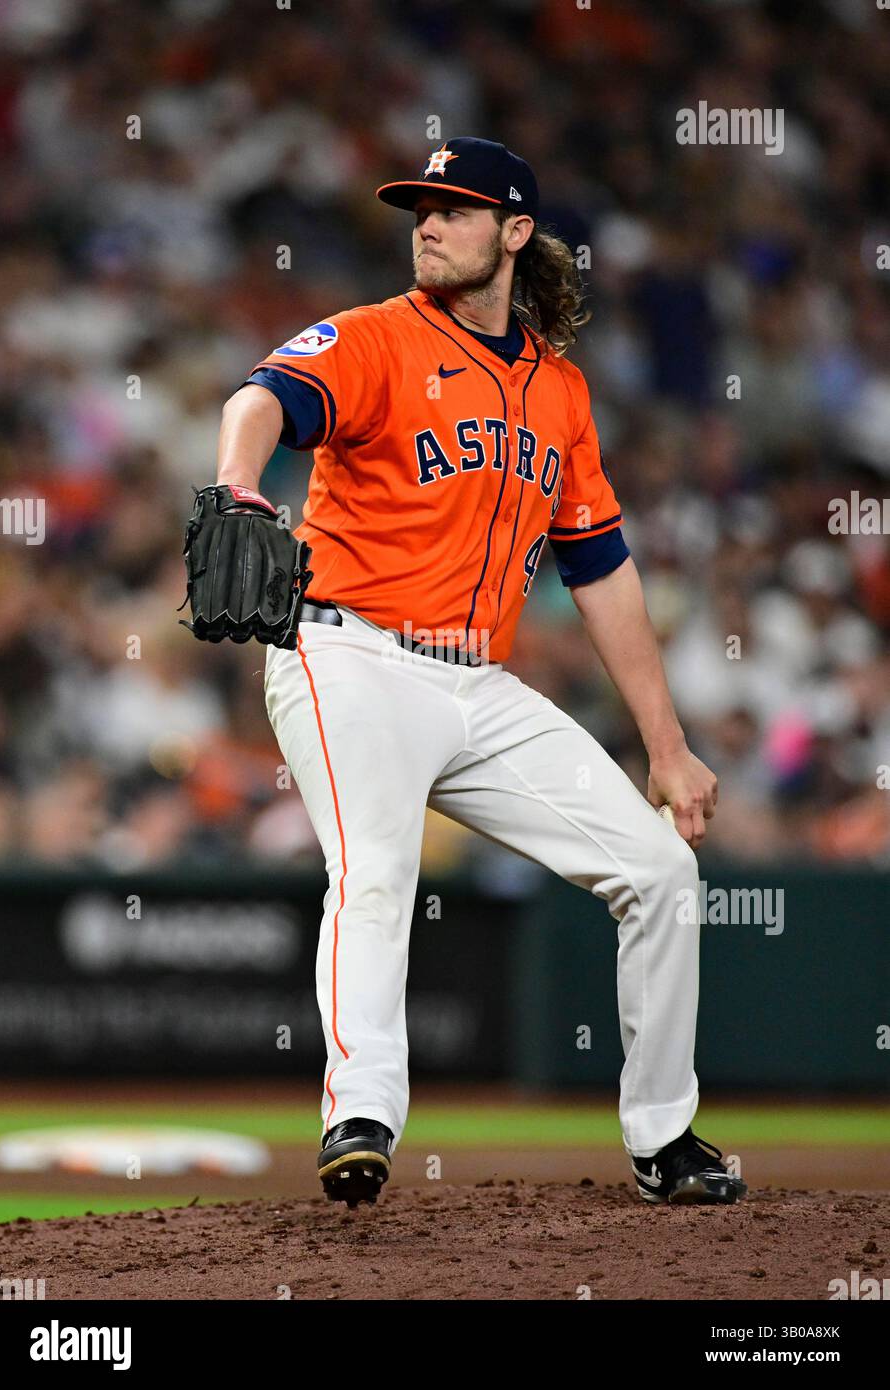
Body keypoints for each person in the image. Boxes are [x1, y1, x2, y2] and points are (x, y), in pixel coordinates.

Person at [215, 137, 747, 1208]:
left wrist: (667, 744)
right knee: (376, 870)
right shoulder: (374, 339)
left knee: (659, 873)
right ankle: (360, 1110)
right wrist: (236, 483)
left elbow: (601, 571)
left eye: (454, 209)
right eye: (420, 208)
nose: (428, 223)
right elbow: (261, 398)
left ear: (512, 233)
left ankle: (663, 1135)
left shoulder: (560, 391)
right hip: (347, 652)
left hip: (479, 686)